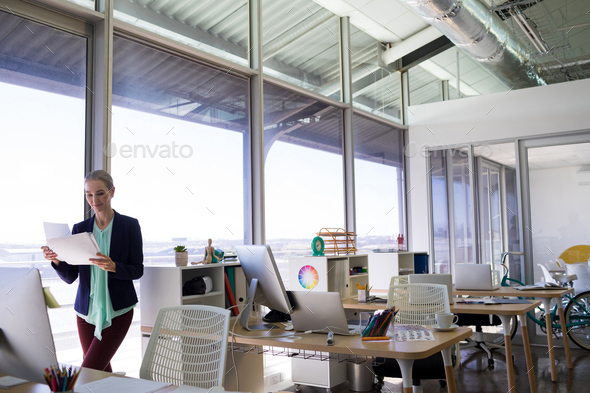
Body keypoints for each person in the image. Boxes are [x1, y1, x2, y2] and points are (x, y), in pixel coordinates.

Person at [41, 170, 143, 372]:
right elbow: (70, 276)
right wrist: (57, 260)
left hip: (118, 312)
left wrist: (114, 267)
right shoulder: (80, 228)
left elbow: (137, 270)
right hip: (85, 313)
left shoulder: (129, 225)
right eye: (89, 194)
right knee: (100, 374)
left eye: (100, 193)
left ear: (112, 192)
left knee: (88, 372)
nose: (94, 200)